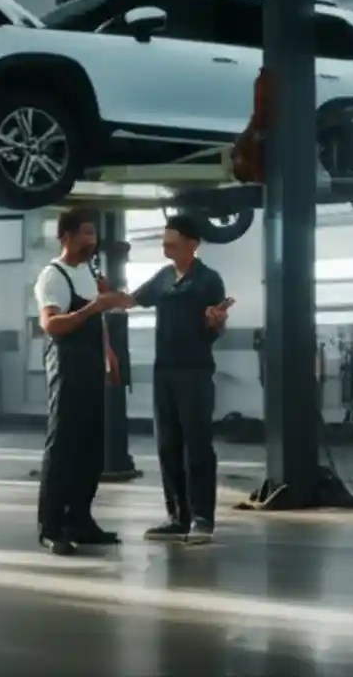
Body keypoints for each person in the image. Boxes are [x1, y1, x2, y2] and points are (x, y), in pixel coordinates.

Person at [122, 214, 232, 544]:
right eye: (164, 242)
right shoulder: (164, 277)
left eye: (172, 241)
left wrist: (215, 321)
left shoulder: (208, 280)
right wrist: (101, 299)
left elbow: (216, 325)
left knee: (196, 445)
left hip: (194, 371)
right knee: (167, 445)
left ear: (192, 244)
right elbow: (131, 300)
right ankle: (177, 518)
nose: (165, 246)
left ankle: (202, 518)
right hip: (164, 371)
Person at [32, 208, 128, 555]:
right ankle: (51, 526)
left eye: (94, 234)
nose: (92, 240)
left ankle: (80, 520)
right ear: (66, 237)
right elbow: (51, 325)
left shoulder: (90, 270)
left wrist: (109, 354)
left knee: (90, 448)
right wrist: (91, 308)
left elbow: (101, 315)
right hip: (67, 368)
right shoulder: (52, 276)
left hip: (91, 366)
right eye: (86, 233)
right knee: (63, 449)